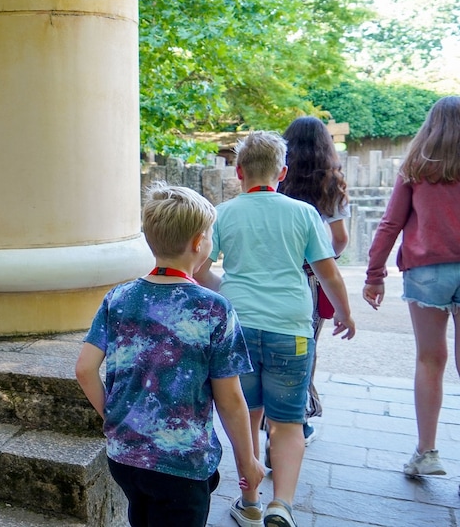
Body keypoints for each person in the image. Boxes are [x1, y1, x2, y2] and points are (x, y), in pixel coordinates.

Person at [75, 183, 264, 527]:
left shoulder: (117, 298)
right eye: (209, 235)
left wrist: (117, 418)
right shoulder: (213, 308)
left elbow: (85, 369)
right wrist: (247, 460)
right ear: (198, 243)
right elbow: (231, 400)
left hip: (125, 458)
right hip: (182, 466)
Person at [194, 131, 356, 527]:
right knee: (287, 423)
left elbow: (198, 268)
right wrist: (344, 312)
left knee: (245, 416)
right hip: (292, 330)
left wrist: (227, 292)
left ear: (238, 171)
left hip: (240, 330)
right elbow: (328, 271)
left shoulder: (223, 213)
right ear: (282, 172)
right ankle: (281, 504)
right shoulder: (303, 214)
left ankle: (249, 500)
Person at [363, 96, 460, 480]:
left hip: (427, 271)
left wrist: (374, 274)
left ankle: (427, 452)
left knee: (430, 360)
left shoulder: (416, 167)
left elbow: (390, 224)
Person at [276, 116, 350, 446]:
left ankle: (270, 416)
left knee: (272, 342)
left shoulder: (279, 180)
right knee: (305, 346)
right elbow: (340, 239)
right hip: (311, 279)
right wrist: (322, 260)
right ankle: (297, 418)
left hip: (276, 270)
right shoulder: (331, 183)